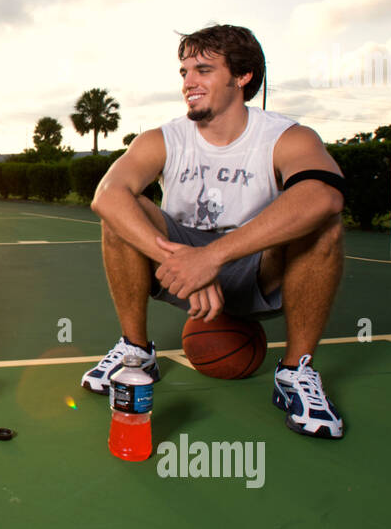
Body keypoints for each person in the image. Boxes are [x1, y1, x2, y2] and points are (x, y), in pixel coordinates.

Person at [82, 24, 348, 439]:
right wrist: (181, 259)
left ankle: (296, 372)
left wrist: (213, 257)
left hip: (255, 265)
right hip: (178, 264)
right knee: (121, 210)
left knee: (324, 225)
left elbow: (324, 196)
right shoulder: (163, 138)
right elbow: (106, 195)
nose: (189, 82)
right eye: (184, 71)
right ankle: (136, 350)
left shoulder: (285, 136)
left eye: (203, 70)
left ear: (241, 77)